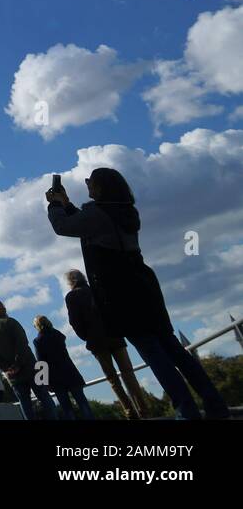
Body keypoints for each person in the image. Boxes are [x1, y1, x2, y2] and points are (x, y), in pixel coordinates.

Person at [47, 167, 230, 420]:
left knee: (155, 357)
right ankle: (215, 406)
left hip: (121, 295)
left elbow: (64, 227)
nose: (87, 183)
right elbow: (88, 225)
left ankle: (187, 411)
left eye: (91, 181)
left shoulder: (97, 215)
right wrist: (66, 203)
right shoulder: (124, 211)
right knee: (175, 351)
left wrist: (55, 206)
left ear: (100, 188)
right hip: (144, 288)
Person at [64, 268, 149, 419]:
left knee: (112, 379)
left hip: (96, 341)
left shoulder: (71, 297)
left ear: (70, 282)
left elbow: (75, 322)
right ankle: (143, 410)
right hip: (115, 335)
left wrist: (86, 336)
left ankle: (129, 411)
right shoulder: (97, 289)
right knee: (128, 374)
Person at [0, 298, 57, 419]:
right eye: (2, 304)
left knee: (25, 404)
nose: (5, 307)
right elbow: (23, 344)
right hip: (30, 368)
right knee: (45, 397)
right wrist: (18, 364)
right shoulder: (11, 322)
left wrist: (7, 368)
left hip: (13, 376)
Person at [31, 315, 93, 419]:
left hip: (55, 378)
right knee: (82, 402)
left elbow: (41, 362)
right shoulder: (58, 335)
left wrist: (44, 381)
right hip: (70, 372)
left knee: (67, 408)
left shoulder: (38, 341)